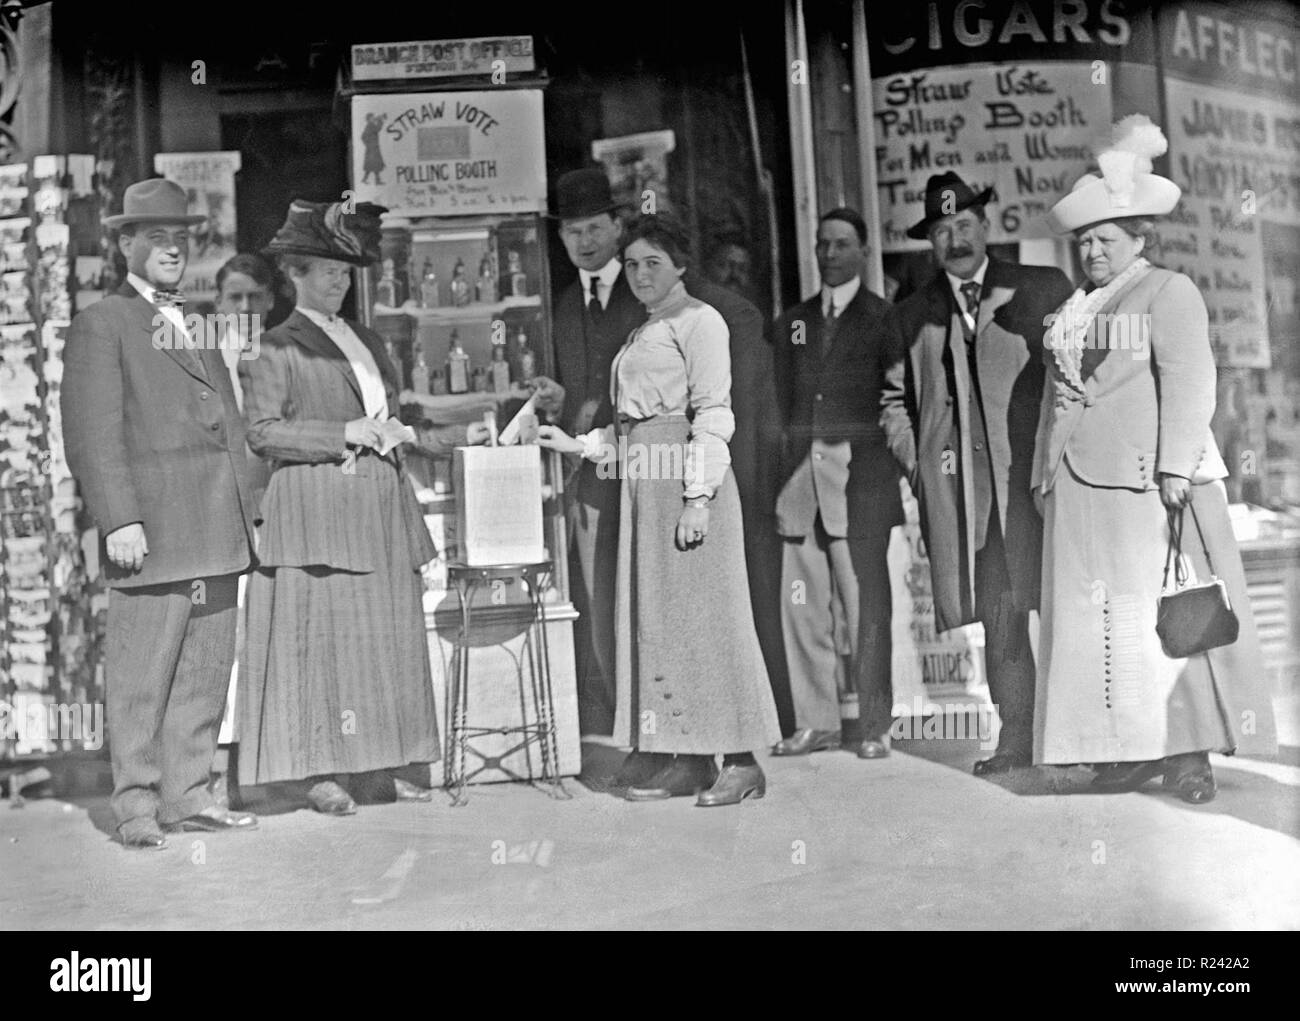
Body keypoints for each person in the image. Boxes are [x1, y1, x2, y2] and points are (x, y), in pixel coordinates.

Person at [1032, 115, 1276, 802]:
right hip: (1079, 482)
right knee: (1099, 622)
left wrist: (1175, 467)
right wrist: (1042, 474)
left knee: (1170, 612)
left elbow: (1193, 381)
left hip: (1147, 480)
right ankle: (1126, 748)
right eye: (1084, 242)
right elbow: (1061, 397)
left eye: (1105, 239)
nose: (1093, 252)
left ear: (1140, 237)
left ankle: (1189, 751)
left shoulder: (1168, 290)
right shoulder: (1078, 306)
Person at [237, 198, 488, 815]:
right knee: (319, 647)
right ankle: (314, 773)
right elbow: (263, 432)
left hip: (378, 511)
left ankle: (377, 766)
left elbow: (395, 424)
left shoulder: (368, 340)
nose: (340, 282)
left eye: (346, 273)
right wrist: (344, 433)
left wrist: (460, 434)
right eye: (327, 271)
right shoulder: (277, 346)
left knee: (380, 642)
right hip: (316, 513)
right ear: (294, 274)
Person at [538, 214, 781, 806]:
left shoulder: (700, 321)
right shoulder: (642, 329)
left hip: (684, 483)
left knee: (707, 621)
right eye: (633, 264)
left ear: (680, 267)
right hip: (645, 485)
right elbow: (631, 429)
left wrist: (698, 500)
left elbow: (713, 413)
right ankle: (688, 758)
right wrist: (578, 445)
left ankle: (743, 762)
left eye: (654, 263)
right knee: (665, 623)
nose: (641, 274)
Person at [61, 178, 259, 848]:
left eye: (181, 237)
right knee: (143, 672)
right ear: (124, 244)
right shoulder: (102, 322)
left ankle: (188, 794)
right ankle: (137, 802)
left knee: (205, 669)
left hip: (215, 522)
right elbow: (91, 430)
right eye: (158, 237)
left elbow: (229, 421)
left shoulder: (196, 318)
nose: (173, 248)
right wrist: (118, 517)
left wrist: (249, 505)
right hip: (152, 527)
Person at [880, 172, 1074, 775]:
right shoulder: (911, 315)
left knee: (1070, 606)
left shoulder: (1041, 289)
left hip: (1041, 486)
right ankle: (1017, 736)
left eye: (964, 225)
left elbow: (1078, 378)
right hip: (972, 502)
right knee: (1002, 617)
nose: (955, 239)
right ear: (929, 243)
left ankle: (1083, 738)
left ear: (985, 226)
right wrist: (922, 469)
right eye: (941, 231)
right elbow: (892, 403)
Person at [771, 208, 903, 760]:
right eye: (823, 244)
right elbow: (778, 407)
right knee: (801, 607)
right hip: (802, 487)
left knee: (865, 607)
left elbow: (899, 405)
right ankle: (816, 721)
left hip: (859, 488)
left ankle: (874, 724)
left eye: (842, 244)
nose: (829, 254)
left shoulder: (885, 319)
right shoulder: (793, 323)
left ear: (864, 251)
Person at [550, 168, 648, 741]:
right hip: (590, 480)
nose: (583, 242)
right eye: (571, 233)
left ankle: (656, 724)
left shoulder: (644, 289)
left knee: (648, 599)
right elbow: (578, 389)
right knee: (601, 603)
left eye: (593, 228)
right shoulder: (565, 304)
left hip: (642, 473)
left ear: (616, 226)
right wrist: (558, 399)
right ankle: (622, 726)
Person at [210, 252, 277, 808]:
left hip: (276, 507)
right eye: (235, 297)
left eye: (256, 296)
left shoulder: (281, 353)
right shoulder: (204, 357)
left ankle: (278, 764)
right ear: (218, 303)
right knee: (226, 644)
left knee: (277, 636)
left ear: (272, 301)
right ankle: (222, 773)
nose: (246, 307)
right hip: (225, 512)